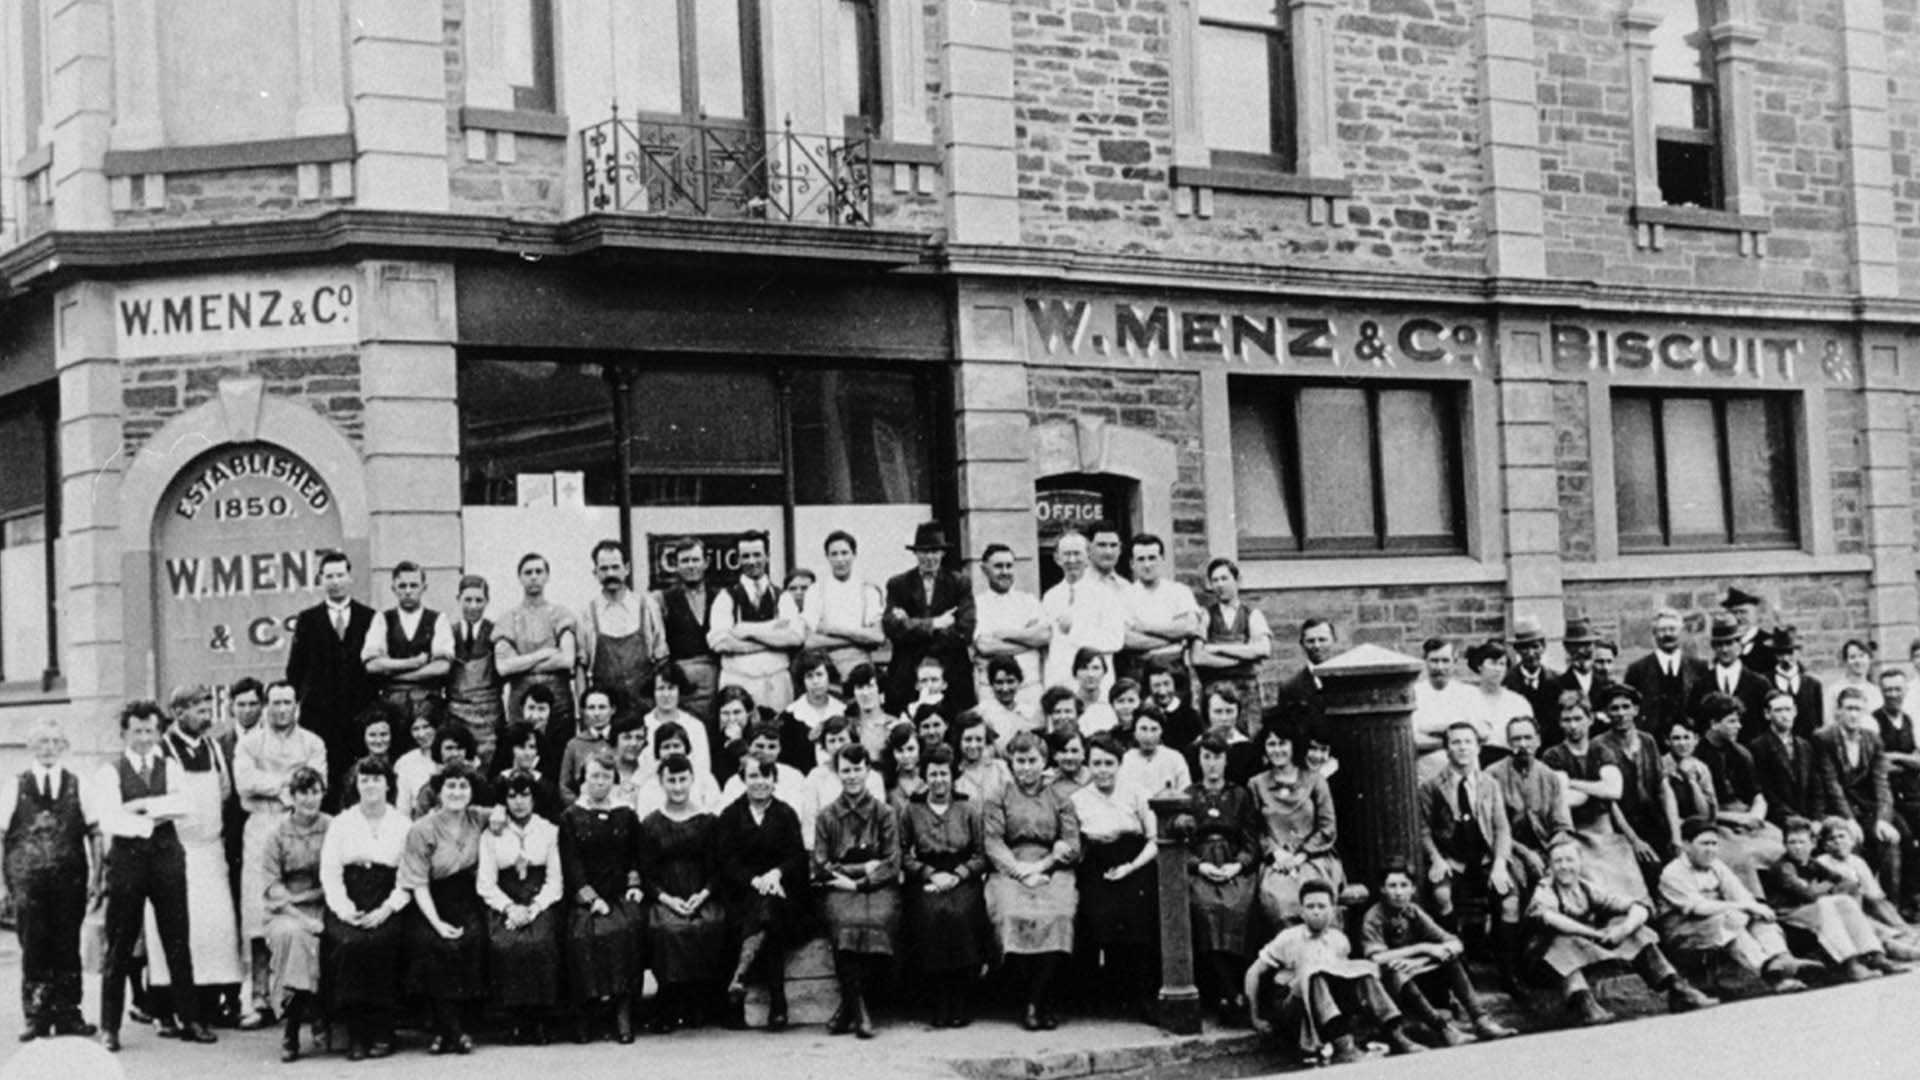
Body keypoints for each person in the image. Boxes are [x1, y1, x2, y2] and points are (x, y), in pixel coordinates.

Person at [1527, 836, 1716, 1026]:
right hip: (1546, 962)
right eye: (1558, 861)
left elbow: (1637, 906)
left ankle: (1677, 988)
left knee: (1636, 931)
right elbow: (1551, 919)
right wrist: (1594, 934)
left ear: (1580, 862)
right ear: (1550, 866)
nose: (1564, 867)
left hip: (1583, 947)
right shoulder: (1545, 889)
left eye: (1570, 860)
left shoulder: (1586, 887)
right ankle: (1584, 1004)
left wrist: (1624, 929)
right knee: (1563, 942)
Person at [232, 681, 328, 1029]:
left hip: (300, 826)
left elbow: (317, 780)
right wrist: (287, 786)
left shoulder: (312, 742)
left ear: (296, 707)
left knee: (304, 910)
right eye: (275, 703)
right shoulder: (250, 743)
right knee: (258, 915)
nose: (281, 709)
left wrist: (274, 785)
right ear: (266, 706)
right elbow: (244, 783)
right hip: (260, 826)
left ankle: (303, 998)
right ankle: (259, 998)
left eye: (287, 702)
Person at [1244, 878, 1424, 1063]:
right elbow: (1253, 973)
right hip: (1296, 1009)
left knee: (1363, 972)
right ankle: (1344, 1046)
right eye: (1310, 906)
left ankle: (1395, 1034)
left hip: (1327, 1009)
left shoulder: (1339, 940)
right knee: (1315, 975)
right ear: (1302, 911)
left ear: (1333, 910)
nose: (1316, 911)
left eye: (1322, 906)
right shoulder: (1288, 938)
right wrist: (1255, 1018)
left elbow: (1344, 980)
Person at [2, 718, 101, 1042]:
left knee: (67, 944)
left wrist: (97, 876)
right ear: (31, 746)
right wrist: (2, 884)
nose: (48, 748)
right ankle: (36, 1016)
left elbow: (95, 832)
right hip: (27, 882)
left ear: (63, 746)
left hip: (69, 879)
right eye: (42, 741)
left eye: (55, 742)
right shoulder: (14, 785)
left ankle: (69, 1013)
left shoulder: (78, 783)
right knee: (33, 946)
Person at [151, 685, 244, 1029]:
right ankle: (166, 1007)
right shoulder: (163, 751)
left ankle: (208, 1004)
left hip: (211, 851)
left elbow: (224, 793)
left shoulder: (213, 748)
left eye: (209, 710)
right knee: (176, 932)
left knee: (215, 931)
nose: (207, 718)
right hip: (177, 852)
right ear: (179, 713)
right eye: (200, 711)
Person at [1655, 818, 1821, 994]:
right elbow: (1699, 908)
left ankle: (1783, 959)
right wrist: (1741, 906)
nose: (1710, 849)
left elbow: (1740, 893)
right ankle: (1769, 973)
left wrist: (1754, 907)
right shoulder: (1672, 873)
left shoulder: (1716, 865)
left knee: (1758, 914)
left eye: (1714, 844)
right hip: (1683, 932)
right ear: (1686, 845)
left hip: (1716, 919)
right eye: (1704, 844)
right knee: (1730, 918)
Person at [986, 730, 1082, 1031]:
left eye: (1032, 760)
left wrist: (1046, 863)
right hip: (1011, 868)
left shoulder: (1059, 797)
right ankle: (1028, 999)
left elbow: (1072, 843)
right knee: (1011, 914)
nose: (1026, 767)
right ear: (1011, 763)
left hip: (1051, 869)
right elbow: (993, 842)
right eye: (1020, 761)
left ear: (1044, 762)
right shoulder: (998, 795)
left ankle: (1041, 999)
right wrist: (1020, 871)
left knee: (1059, 914)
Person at [1360, 865, 1515, 1044]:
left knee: (1451, 958)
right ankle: (1443, 1029)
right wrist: (1423, 948)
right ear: (1382, 889)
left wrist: (1420, 961)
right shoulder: (1374, 917)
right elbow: (1376, 958)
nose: (1399, 892)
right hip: (1391, 988)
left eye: (1404, 885)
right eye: (1392, 886)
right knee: (1396, 970)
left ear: (1413, 889)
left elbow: (1455, 943)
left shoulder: (1413, 911)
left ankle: (1481, 1020)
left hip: (1418, 976)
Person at [320, 756, 410, 1060]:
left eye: (377, 778)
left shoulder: (402, 823)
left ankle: (383, 1029)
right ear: (356, 785)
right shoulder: (342, 822)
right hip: (350, 895)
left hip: (387, 897)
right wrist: (345, 910)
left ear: (388, 784)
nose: (371, 785)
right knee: (350, 943)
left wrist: (388, 908)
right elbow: (330, 873)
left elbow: (408, 876)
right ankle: (356, 1032)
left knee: (383, 942)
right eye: (365, 779)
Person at [401, 765, 493, 1054]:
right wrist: (437, 922)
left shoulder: (479, 818)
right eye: (450, 786)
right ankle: (453, 1031)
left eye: (463, 786)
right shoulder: (422, 829)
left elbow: (505, 811)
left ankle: (447, 1030)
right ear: (439, 792)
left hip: (467, 897)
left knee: (472, 940)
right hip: (430, 899)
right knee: (436, 943)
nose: (457, 792)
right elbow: (417, 882)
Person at [812, 744, 901, 1039]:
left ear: (867, 771)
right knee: (845, 923)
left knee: (878, 921)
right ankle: (860, 1012)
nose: (852, 776)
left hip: (878, 888)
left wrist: (861, 880)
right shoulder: (827, 816)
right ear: (838, 773)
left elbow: (891, 862)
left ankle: (848, 1012)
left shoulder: (884, 813)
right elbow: (822, 866)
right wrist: (861, 869)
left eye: (857, 769)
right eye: (846, 770)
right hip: (839, 889)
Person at [715, 755, 810, 1030]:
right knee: (766, 917)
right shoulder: (731, 815)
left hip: (783, 893)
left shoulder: (785, 814)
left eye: (766, 776)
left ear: (774, 780)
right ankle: (778, 1003)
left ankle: (740, 980)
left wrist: (776, 874)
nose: (760, 782)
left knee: (771, 911)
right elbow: (727, 860)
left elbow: (796, 857)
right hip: (743, 894)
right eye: (754, 776)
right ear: (743, 780)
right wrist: (755, 880)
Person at [1416, 723, 1520, 973]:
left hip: (1485, 860)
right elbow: (1423, 830)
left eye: (1468, 742)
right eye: (1456, 742)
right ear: (1447, 749)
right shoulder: (1432, 786)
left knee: (1510, 902)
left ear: (1478, 747)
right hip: (1453, 861)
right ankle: (1457, 969)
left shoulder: (1489, 784)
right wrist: (1437, 859)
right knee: (1441, 895)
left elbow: (1502, 829)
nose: (1462, 748)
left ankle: (1508, 972)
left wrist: (1499, 864)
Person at [899, 744, 990, 1028]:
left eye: (944, 774)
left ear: (953, 776)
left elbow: (981, 854)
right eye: (933, 774)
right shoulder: (911, 810)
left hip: (962, 876)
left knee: (961, 914)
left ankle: (960, 999)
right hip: (927, 877)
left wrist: (959, 874)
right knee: (931, 915)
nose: (939, 780)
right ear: (925, 776)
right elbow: (901, 853)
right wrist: (928, 873)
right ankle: (939, 999)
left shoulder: (968, 808)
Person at [636, 753, 728, 1032]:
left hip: (701, 893)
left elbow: (717, 868)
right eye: (671, 780)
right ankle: (671, 1000)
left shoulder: (708, 821)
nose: (677, 787)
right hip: (665, 895)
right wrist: (667, 899)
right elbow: (646, 873)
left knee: (711, 924)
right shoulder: (650, 824)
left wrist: (704, 894)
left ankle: (701, 1000)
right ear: (661, 783)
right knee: (668, 929)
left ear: (691, 780)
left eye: (682, 779)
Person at [1071, 734, 1160, 1019]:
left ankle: (1142, 996)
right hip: (1096, 863)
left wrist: (1132, 867)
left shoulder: (1136, 792)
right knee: (1096, 914)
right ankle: (1103, 995)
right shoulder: (1079, 799)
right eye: (1096, 763)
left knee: (1138, 914)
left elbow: (1155, 839)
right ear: (1088, 765)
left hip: (1135, 861)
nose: (1103, 770)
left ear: (1119, 765)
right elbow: (1076, 845)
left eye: (1109, 763)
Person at [559, 751, 645, 1043]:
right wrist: (591, 898)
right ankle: (586, 1011)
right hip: (586, 896)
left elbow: (636, 854)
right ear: (584, 779)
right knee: (583, 936)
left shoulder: (625, 813)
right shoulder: (571, 816)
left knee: (626, 929)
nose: (600, 782)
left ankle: (623, 1011)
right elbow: (572, 865)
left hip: (620, 893)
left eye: (606, 777)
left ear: (614, 780)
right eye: (594, 776)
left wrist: (634, 885)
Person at [478, 770, 564, 1044]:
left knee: (540, 942)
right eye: (512, 795)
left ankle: (540, 1020)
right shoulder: (492, 835)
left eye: (525, 795)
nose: (519, 802)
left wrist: (534, 908)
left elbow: (555, 881)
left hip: (539, 899)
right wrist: (509, 908)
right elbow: (486, 883)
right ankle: (515, 1019)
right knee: (506, 944)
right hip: (506, 898)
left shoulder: (549, 831)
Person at [1762, 815, 1903, 982]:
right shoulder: (1784, 867)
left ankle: (1873, 954)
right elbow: (1808, 895)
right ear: (1785, 845)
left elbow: (1846, 883)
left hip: (1809, 910)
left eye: (1802, 842)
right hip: (1788, 914)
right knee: (1826, 904)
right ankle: (1849, 962)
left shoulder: (1812, 864)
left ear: (1812, 844)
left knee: (1845, 901)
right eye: (1792, 842)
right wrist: (1827, 886)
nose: (1797, 848)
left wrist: (1823, 886)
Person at [1184, 732, 1259, 1023]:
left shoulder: (1239, 795)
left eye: (1217, 757)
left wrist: (1237, 866)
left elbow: (1251, 840)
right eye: (1206, 757)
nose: (1212, 765)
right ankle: (1229, 994)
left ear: (1226, 760)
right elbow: (1182, 845)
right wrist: (1199, 865)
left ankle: (1233, 993)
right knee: (1205, 907)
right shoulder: (1189, 795)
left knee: (1238, 905)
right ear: (1199, 760)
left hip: (1232, 863)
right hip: (1202, 865)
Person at [1540, 698, 1647, 903]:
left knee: (1627, 890)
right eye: (1567, 720)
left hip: (1605, 832)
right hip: (1574, 833)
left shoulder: (1601, 751)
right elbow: (1565, 800)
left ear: (1589, 720)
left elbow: (1614, 791)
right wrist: (1597, 788)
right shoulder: (1553, 755)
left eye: (1578, 718)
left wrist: (1572, 782)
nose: (1573, 726)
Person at [257, 765, 329, 1061]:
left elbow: (337, 876)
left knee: (327, 937)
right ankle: (292, 1028)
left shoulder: (333, 826)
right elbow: (273, 886)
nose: (309, 800)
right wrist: (302, 917)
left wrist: (318, 909)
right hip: (286, 909)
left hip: (324, 903)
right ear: (292, 796)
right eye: (303, 793)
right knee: (294, 936)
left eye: (315, 792)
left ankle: (316, 1016)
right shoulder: (277, 835)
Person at [284, 549, 378, 776]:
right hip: (319, 717)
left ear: (349, 578)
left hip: (359, 714)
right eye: (329, 577)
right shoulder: (308, 619)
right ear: (320, 580)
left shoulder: (369, 617)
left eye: (339, 575)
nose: (335, 582)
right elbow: (295, 670)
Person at [495, 552, 580, 778]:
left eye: (538, 572)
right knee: (519, 753)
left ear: (547, 576)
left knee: (558, 757)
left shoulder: (560, 614)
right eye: (528, 572)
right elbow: (503, 667)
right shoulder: (509, 618)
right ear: (520, 578)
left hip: (558, 701)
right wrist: (543, 654)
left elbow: (567, 659)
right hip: (521, 700)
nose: (533, 577)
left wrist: (522, 662)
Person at [1814, 686, 1904, 898]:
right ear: (1838, 712)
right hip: (1834, 806)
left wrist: (1883, 819)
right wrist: (1849, 819)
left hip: (1866, 805)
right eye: (1849, 709)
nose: (1853, 714)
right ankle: (1858, 901)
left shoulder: (1873, 739)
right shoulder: (1823, 738)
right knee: (1848, 839)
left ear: (1864, 713)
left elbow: (1881, 782)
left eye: (1858, 710)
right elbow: (1831, 783)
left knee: (1892, 838)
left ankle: (1892, 904)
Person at [1250, 722, 1343, 927]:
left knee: (1316, 900)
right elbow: (1256, 829)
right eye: (1271, 744)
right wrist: (1276, 854)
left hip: (1314, 857)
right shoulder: (1257, 784)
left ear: (1293, 746)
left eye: (1282, 743)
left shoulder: (1315, 781)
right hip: (1278, 861)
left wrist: (1302, 855)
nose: (1277, 750)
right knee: (1281, 901)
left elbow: (1327, 828)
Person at [880, 522, 976, 714]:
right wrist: (935, 623)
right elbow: (892, 627)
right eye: (924, 552)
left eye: (935, 551)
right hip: (907, 672)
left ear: (943, 553)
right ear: (915, 554)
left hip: (952, 671)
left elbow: (965, 631)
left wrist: (912, 625)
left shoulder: (959, 583)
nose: (929, 557)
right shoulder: (899, 584)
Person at [710, 531, 806, 712]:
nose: (752, 561)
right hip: (738, 681)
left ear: (767, 557)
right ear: (737, 559)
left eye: (757, 555)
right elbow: (720, 642)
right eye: (746, 556)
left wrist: (748, 631)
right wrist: (773, 636)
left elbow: (795, 637)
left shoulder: (782, 597)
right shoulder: (726, 597)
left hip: (776, 683)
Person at [362, 561, 455, 744]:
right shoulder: (383, 619)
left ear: (424, 587)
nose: (408, 591)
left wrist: (395, 674)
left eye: (414, 585)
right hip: (392, 705)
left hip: (429, 704)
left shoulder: (437, 619)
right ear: (393, 588)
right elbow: (371, 664)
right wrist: (411, 663)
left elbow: (442, 666)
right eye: (402, 586)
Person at [579, 539, 668, 723]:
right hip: (605, 714)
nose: (610, 573)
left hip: (647, 708)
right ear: (595, 572)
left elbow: (662, 660)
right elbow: (581, 667)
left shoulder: (647, 607)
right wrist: (582, 715)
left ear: (627, 568)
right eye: (603, 569)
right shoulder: (587, 613)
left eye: (615, 567)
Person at [1486, 715, 1573, 892]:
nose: (1523, 744)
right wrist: (1526, 854)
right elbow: (1491, 829)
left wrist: (1553, 855)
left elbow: (1562, 826)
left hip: (1545, 849)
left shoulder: (1549, 777)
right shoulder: (1492, 775)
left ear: (1538, 741)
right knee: (1511, 894)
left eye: (1528, 738)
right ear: (1509, 743)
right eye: (1516, 739)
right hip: (1508, 850)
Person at [1816, 815, 1920, 959]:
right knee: (1870, 925)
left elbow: (1874, 895)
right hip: (1845, 911)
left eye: (1842, 836)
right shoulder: (1822, 863)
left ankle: (1904, 933)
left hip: (1866, 906)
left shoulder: (1857, 861)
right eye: (1832, 839)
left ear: (1852, 841)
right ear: (1825, 845)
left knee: (1880, 905)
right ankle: (1893, 947)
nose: (1838, 842)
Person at [1040, 529, 1126, 694]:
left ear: (1088, 557)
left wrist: (1075, 629)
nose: (1072, 560)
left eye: (1077, 554)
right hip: (1060, 684)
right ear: (1057, 558)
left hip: (1095, 686)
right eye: (1066, 554)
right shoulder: (1050, 596)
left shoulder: (1106, 594)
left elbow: (1115, 640)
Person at [1188, 557, 1271, 723]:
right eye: (1215, 580)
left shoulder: (1252, 615)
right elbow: (1198, 657)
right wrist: (1244, 658)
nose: (1220, 584)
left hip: (1246, 693)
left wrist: (1217, 649)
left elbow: (1263, 650)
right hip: (1214, 692)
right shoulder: (1205, 615)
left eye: (1224, 578)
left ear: (1237, 581)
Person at [972, 543, 1050, 716]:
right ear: (984, 569)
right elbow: (985, 646)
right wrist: (1029, 642)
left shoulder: (1029, 601)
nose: (1005, 571)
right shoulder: (978, 605)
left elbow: (1045, 636)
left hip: (1029, 689)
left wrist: (1008, 634)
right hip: (992, 691)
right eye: (998, 566)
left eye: (1009, 566)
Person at [1595, 683, 1667, 870]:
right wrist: (1634, 840)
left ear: (1636, 710)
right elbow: (1609, 802)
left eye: (1626, 707)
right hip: (1621, 825)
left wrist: (1674, 835)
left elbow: (1662, 789)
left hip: (1653, 820)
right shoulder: (1599, 746)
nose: (1621, 713)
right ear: (1606, 713)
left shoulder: (1648, 740)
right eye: (1614, 708)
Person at [801, 530, 888, 680]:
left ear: (854, 555)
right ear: (827, 557)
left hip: (860, 666)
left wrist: (832, 629)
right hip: (824, 665)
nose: (840, 559)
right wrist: (860, 639)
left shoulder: (868, 590)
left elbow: (878, 637)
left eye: (845, 553)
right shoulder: (815, 591)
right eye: (834, 554)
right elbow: (809, 641)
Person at [446, 574, 507, 768]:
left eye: (479, 600)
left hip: (489, 716)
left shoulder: (497, 631)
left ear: (487, 601)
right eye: (467, 600)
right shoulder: (447, 632)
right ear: (458, 599)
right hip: (456, 713)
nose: (473, 606)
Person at [1120, 533, 1199, 680]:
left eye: (1152, 558)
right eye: (1141, 559)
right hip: (1140, 668)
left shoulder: (1179, 591)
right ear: (1132, 563)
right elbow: (1126, 639)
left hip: (1175, 665)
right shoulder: (1124, 596)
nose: (1147, 565)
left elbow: (1189, 627)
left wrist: (1145, 627)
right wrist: (1173, 637)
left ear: (1162, 559)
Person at [659, 538, 721, 723]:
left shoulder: (721, 597)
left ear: (706, 563)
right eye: (685, 561)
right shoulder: (664, 600)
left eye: (695, 560)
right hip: (684, 681)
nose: (691, 566)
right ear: (676, 566)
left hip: (716, 677)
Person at [1624, 607, 1712, 735]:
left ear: (1681, 632)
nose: (1668, 634)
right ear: (1654, 634)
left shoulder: (1699, 668)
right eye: (1662, 630)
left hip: (1689, 740)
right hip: (1651, 741)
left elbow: (1704, 708)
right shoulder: (1637, 670)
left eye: (1672, 629)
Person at [1874, 666, 1920, 910]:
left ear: (1905, 690)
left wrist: (1897, 757)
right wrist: (1908, 760)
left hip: (1913, 793)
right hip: (1887, 797)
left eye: (1897, 689)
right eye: (1888, 690)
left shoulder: (1910, 720)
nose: (1893, 694)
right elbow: (1879, 764)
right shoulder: (1874, 721)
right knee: (1905, 838)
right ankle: (1904, 900)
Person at [1692, 612, 1771, 741]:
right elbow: (1698, 724)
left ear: (1740, 645)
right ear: (1713, 647)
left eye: (1729, 643)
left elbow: (1767, 724)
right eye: (1719, 644)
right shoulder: (1702, 684)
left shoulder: (1759, 683)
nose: (1724, 650)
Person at [1411, 638, 1480, 780]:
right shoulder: (1414, 694)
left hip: (1465, 776)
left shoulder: (1469, 694)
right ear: (1425, 661)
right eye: (1434, 661)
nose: (1440, 667)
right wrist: (1456, 739)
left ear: (1454, 661)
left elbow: (1479, 735)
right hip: (1427, 776)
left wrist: (1432, 732)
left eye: (1445, 660)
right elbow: (1412, 741)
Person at [1751, 688, 1820, 828]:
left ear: (1795, 712)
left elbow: (1816, 787)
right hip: (1777, 819)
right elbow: (1766, 791)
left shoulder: (1804, 745)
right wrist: (1793, 818)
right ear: (1767, 714)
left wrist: (1817, 818)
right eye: (1778, 710)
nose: (1785, 715)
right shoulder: (1758, 747)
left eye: (1788, 710)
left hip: (1807, 817)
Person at [634, 721, 724, 817]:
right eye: (666, 747)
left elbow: (716, 811)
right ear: (658, 752)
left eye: (676, 746)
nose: (672, 751)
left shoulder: (704, 778)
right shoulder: (649, 784)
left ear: (686, 748)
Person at [642, 662, 716, 778]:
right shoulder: (644, 724)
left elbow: (703, 770)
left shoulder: (695, 726)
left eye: (671, 688)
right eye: (660, 689)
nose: (666, 695)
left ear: (679, 691)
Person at [805, 715, 886, 819]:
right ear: (824, 745)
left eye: (842, 739)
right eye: (832, 741)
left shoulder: (872, 777)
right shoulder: (816, 777)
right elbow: (809, 821)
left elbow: (877, 819)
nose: (837, 746)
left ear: (853, 741)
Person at [1502, 617, 1563, 747]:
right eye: (1524, 648)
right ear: (1517, 650)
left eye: (1535, 647)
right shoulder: (1507, 683)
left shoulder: (1558, 682)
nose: (1530, 654)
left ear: (1543, 647)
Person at [412, 724, 496, 816]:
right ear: (439, 751)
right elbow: (419, 824)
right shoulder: (429, 789)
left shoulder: (480, 783)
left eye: (460, 748)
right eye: (449, 748)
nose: (455, 753)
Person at [1272, 618, 1338, 735]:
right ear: (1302, 644)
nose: (1317, 646)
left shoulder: (1347, 680)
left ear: (1334, 640)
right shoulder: (1290, 688)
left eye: (1322, 640)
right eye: (1310, 641)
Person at [559, 686, 620, 807]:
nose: (597, 713)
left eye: (602, 707)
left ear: (612, 709)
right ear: (584, 711)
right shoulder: (574, 745)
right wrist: (581, 807)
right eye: (591, 708)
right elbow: (564, 787)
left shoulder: (622, 740)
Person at [494, 721, 561, 819]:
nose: (528, 753)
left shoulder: (546, 786)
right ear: (511, 749)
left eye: (532, 747)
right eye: (521, 747)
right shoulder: (499, 782)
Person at [1120, 704, 1191, 795]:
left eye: (1154, 729)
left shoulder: (1175, 759)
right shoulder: (1126, 760)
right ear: (1135, 732)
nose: (1149, 736)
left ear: (1161, 731)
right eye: (1143, 729)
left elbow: (1185, 793)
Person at [1768, 627, 1825, 738]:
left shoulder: (1813, 685)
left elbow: (1818, 724)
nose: (1785, 658)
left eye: (1790, 652)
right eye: (1781, 653)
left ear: (1799, 652)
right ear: (1775, 654)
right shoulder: (1765, 682)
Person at [785, 651, 848, 740]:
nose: (815, 681)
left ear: (828, 676)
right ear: (802, 681)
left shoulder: (843, 710)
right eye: (809, 676)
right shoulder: (790, 714)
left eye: (819, 674)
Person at [954, 709, 1013, 804]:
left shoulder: (1000, 768)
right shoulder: (954, 774)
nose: (973, 745)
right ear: (959, 740)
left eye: (979, 739)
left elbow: (1013, 804)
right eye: (968, 739)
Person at [1552, 619, 1608, 715]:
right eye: (1576, 646)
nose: (1581, 651)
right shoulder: (1554, 687)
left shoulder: (1607, 685)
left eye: (1587, 645)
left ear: (1595, 646)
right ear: (1567, 649)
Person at [1145, 661, 1205, 751]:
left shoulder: (1190, 716)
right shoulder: (1145, 715)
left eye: (1166, 684)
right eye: (1156, 685)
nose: (1163, 691)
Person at [394, 709, 441, 818]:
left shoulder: (451, 755)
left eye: (426, 727)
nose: (421, 734)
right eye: (415, 729)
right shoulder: (405, 763)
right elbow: (403, 806)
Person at [1724, 586, 1777, 679]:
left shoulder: (1772, 643)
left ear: (1756, 614)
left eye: (1743, 612)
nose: (1738, 618)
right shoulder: (1724, 645)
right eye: (1733, 613)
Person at [1827, 638, 1883, 721]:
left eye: (1862, 656)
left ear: (1869, 659)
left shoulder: (1876, 691)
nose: (1858, 661)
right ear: (1846, 661)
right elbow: (1829, 722)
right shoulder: (1835, 690)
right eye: (1852, 657)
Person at [882, 725, 927, 808]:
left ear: (919, 748)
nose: (906, 756)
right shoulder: (888, 784)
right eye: (900, 750)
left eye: (910, 749)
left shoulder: (929, 777)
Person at [1047, 729, 1093, 799]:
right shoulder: (1044, 782)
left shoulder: (1093, 779)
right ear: (1054, 754)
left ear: (1083, 753)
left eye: (1074, 751)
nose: (1069, 757)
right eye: (1063, 751)